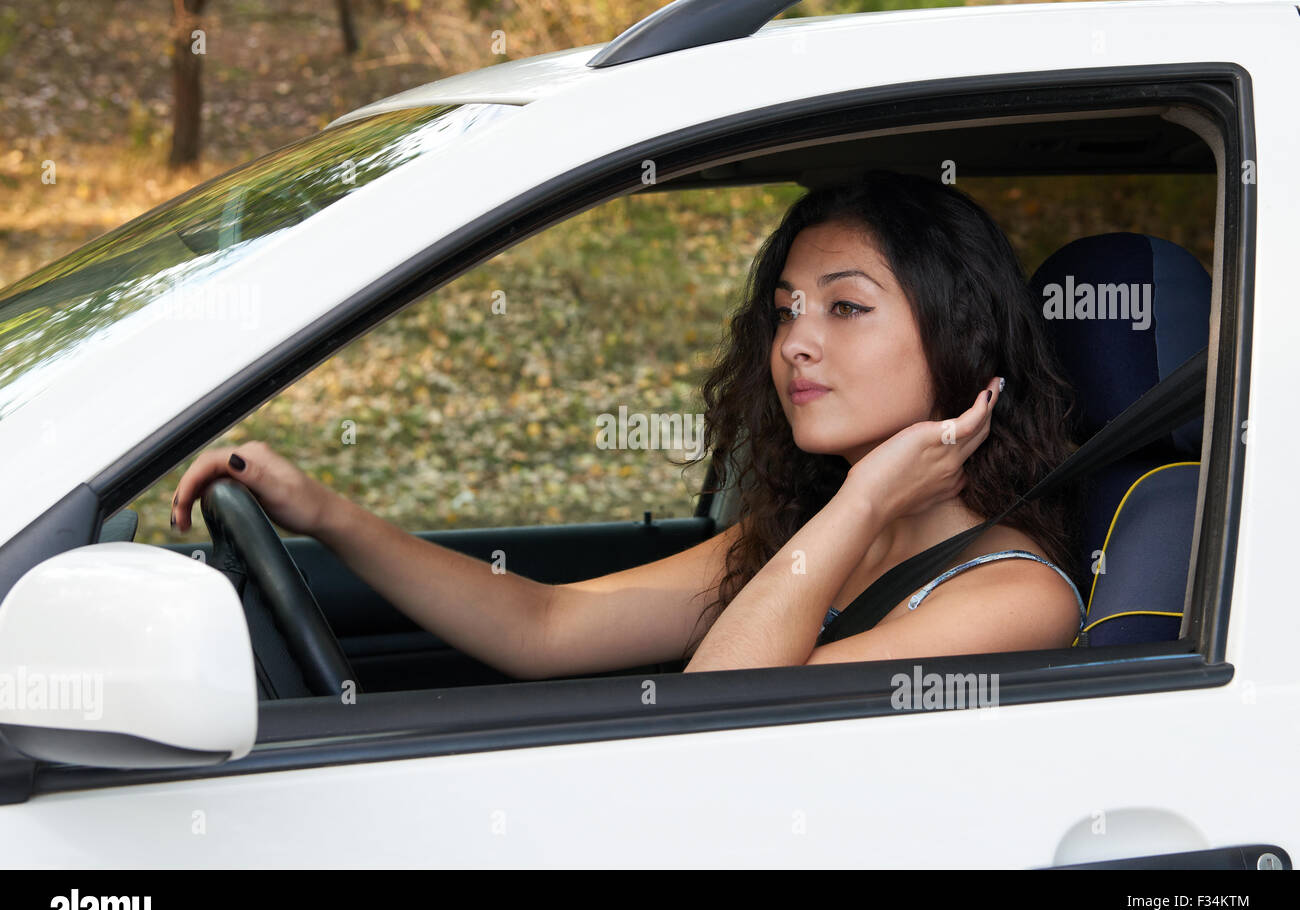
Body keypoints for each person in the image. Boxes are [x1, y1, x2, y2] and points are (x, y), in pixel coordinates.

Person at [171, 170, 1086, 679]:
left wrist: (862, 500)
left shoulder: (1013, 598)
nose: (796, 344)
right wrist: (323, 509)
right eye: (785, 310)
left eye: (844, 309)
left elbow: (727, 715)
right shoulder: (802, 540)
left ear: (960, 338)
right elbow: (547, 624)